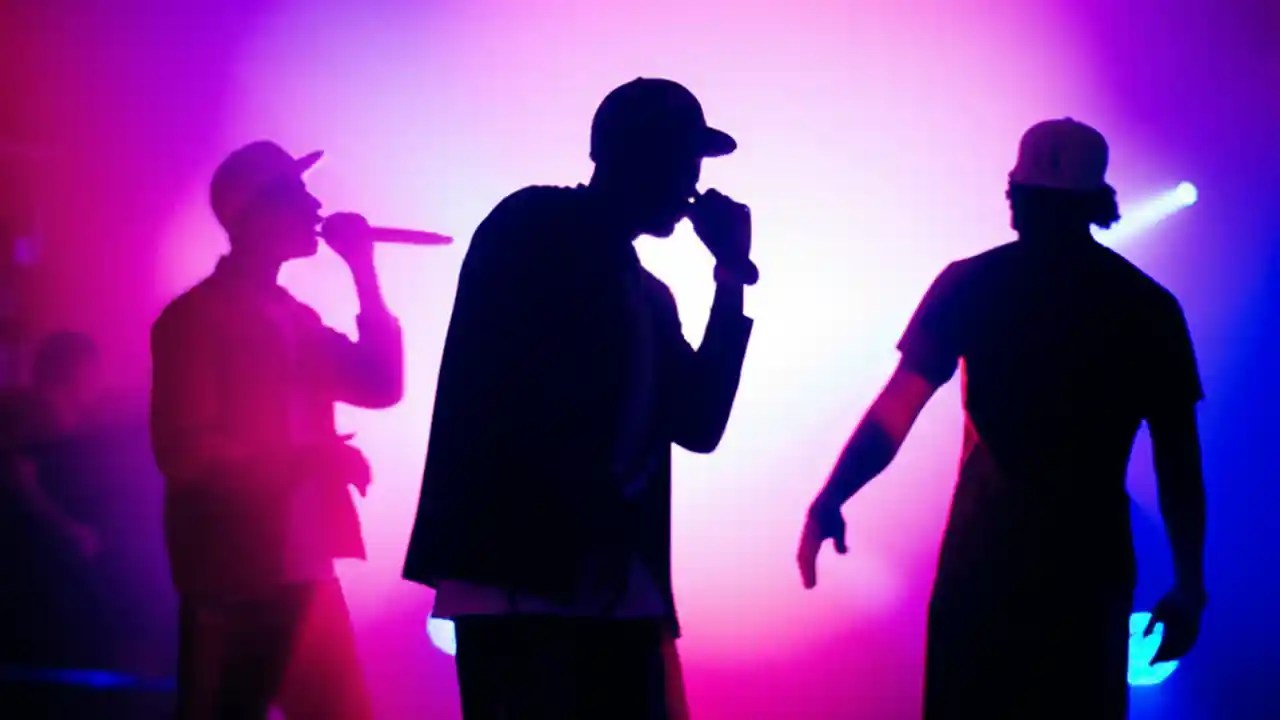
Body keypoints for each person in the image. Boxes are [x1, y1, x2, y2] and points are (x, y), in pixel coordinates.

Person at [797, 119, 1207, 718]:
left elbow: (896, 411)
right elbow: (1179, 461)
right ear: (1095, 202)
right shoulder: (1147, 306)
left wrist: (833, 495)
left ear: (1018, 194)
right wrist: (1189, 585)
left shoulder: (972, 283)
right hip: (1088, 575)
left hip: (982, 567)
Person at [403, 78, 756, 719]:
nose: (693, 181)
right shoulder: (532, 225)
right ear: (634, 155)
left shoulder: (647, 294)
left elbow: (700, 423)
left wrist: (730, 277)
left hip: (611, 587)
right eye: (682, 159)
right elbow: (533, 391)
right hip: (520, 579)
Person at [150, 141, 403, 719]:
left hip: (308, 569)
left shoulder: (296, 320)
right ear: (255, 212)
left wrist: (362, 270)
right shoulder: (195, 319)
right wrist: (307, 461)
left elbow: (380, 385)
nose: (315, 207)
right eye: (297, 194)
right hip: (233, 573)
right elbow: (185, 452)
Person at [0, 332, 105, 666]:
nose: (99, 380)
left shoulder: (62, 418)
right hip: (33, 565)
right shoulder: (37, 415)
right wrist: (67, 529)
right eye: (94, 370)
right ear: (76, 370)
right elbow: (18, 478)